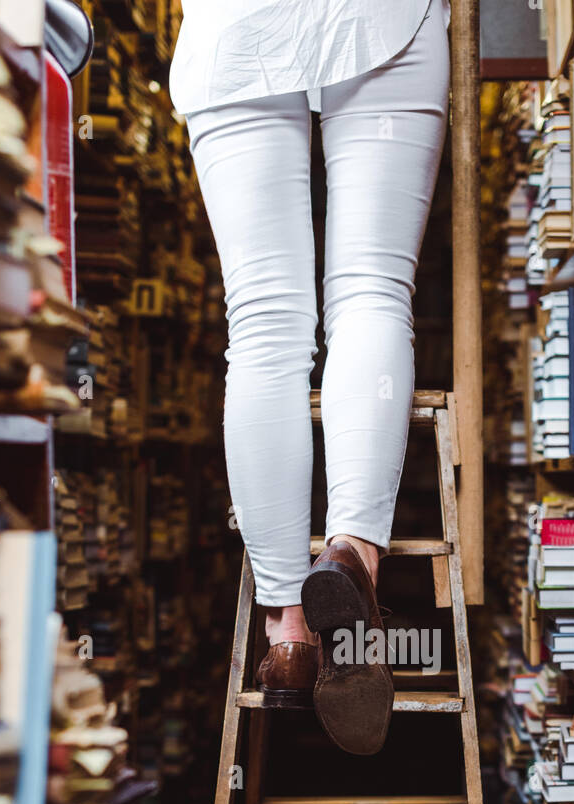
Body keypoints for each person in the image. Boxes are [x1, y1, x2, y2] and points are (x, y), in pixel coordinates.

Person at [169, 1, 451, 754]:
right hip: (379, 21)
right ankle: (351, 556)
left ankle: (287, 630)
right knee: (370, 292)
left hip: (234, 35)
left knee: (263, 323)